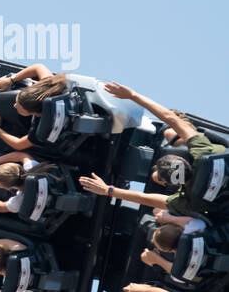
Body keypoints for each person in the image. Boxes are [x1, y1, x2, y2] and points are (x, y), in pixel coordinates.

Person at [78, 82, 228, 213]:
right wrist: (132, 95)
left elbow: (148, 199)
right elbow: (170, 118)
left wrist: (108, 190)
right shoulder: (206, 151)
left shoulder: (189, 202)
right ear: (184, 160)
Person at [0, 64, 70, 151]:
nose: (14, 105)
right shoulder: (51, 88)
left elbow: (19, 144)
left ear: (34, 113)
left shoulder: (40, 130)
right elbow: (38, 67)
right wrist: (11, 80)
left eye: (19, 107)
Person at [140, 208, 208, 275]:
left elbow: (177, 275)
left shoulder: (180, 266)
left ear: (171, 251)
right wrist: (170, 219)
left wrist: (157, 259)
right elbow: (156, 210)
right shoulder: (197, 226)